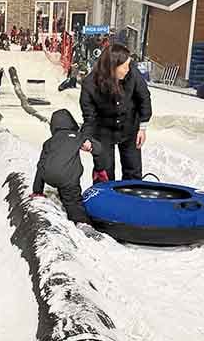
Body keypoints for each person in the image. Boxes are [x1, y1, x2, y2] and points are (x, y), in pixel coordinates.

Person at [79, 43, 152, 181]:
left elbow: (144, 98)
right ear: (112, 67)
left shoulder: (132, 74)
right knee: (104, 171)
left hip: (129, 126)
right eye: (124, 66)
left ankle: (132, 199)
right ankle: (105, 198)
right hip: (104, 130)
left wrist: (142, 128)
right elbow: (89, 117)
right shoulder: (90, 85)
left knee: (133, 169)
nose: (127, 69)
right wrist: (86, 137)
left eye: (129, 65)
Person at [32, 109, 104, 224]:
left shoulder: (49, 142)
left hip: (48, 177)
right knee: (73, 202)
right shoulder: (78, 136)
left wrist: (37, 190)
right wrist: (90, 146)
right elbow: (99, 149)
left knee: (58, 170)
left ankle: (63, 199)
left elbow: (41, 165)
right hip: (68, 180)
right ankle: (83, 223)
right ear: (71, 123)